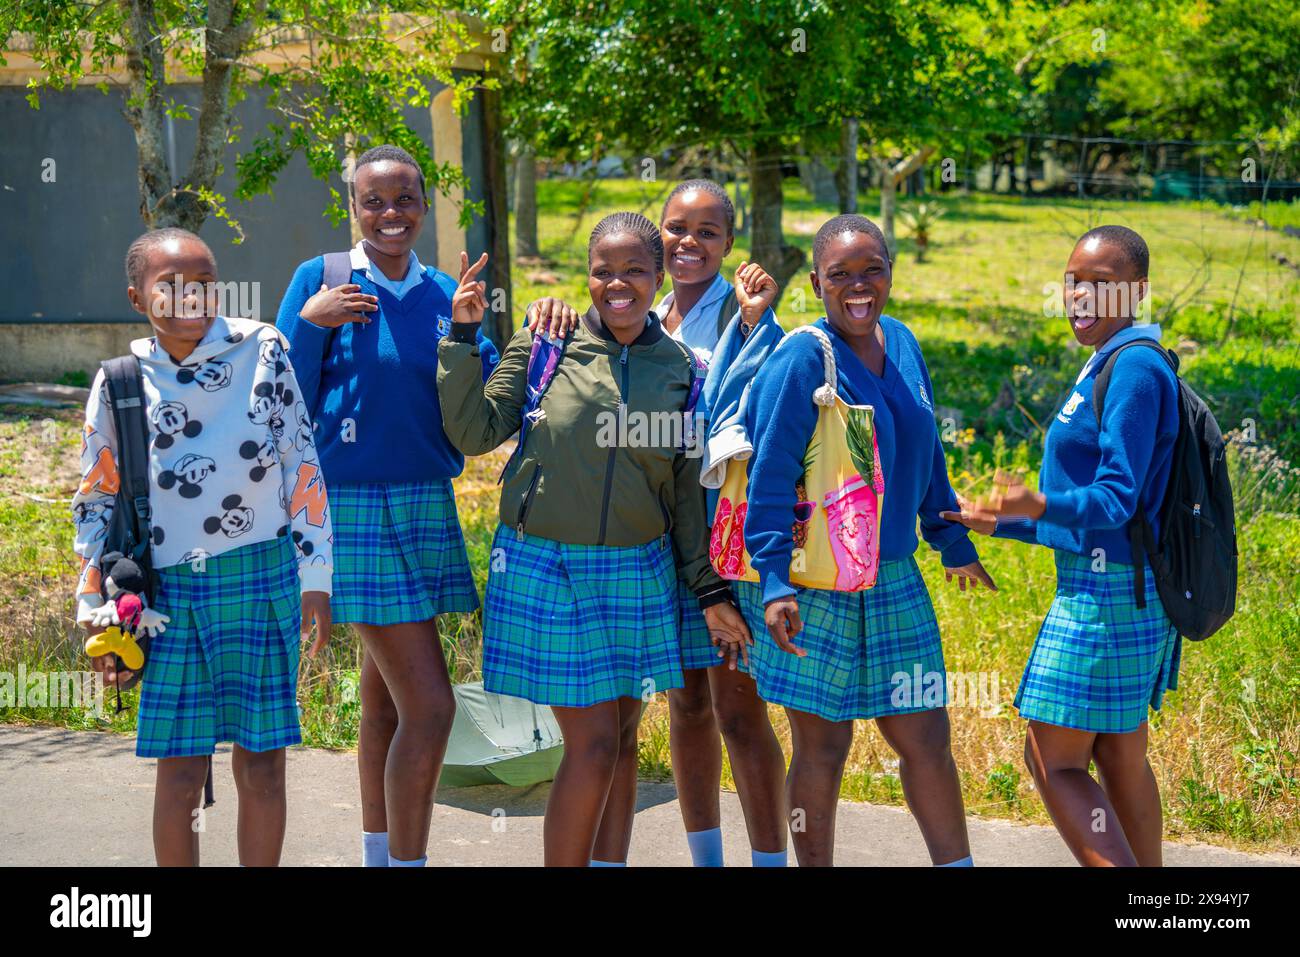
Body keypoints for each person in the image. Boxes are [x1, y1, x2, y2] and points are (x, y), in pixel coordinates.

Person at [437, 212, 752, 866]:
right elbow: (472, 431)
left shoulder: (684, 373)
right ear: (587, 275)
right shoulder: (547, 344)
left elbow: (688, 500)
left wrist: (710, 587)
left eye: (634, 270)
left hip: (638, 570)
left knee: (624, 738)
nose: (618, 283)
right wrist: (463, 333)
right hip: (545, 565)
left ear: (657, 276)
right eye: (603, 270)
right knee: (595, 743)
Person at [737, 214, 995, 866]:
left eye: (871, 270)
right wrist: (772, 584)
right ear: (818, 283)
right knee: (823, 749)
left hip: (895, 575)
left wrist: (951, 539)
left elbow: (926, 449)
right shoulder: (802, 356)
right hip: (815, 584)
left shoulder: (902, 342)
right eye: (840, 275)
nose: (858, 286)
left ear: (890, 272)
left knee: (927, 737)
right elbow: (769, 477)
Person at [73, 227, 333, 866]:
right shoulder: (121, 382)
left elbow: (302, 461)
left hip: (261, 577)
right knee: (181, 775)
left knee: (263, 766)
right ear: (138, 297)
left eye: (205, 283)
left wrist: (316, 574)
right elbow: (96, 501)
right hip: (166, 596)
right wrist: (97, 609)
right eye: (171, 285)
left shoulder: (263, 350)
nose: (192, 296)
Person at [275, 144, 499, 867]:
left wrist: (468, 329)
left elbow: (478, 402)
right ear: (352, 206)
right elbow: (277, 400)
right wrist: (311, 322)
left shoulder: (442, 291)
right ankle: (406, 861)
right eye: (374, 201)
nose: (390, 214)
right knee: (432, 709)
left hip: (426, 502)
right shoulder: (323, 278)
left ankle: (380, 853)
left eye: (404, 199)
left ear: (424, 204)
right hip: (354, 509)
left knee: (386, 704)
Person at [943, 225, 1181, 867]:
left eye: (1102, 285)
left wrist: (1036, 504)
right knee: (1119, 753)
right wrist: (1003, 523)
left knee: (1052, 760)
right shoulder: (1114, 357)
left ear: (1137, 291)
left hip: (1106, 599)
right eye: (1075, 282)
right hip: (1126, 588)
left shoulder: (1132, 367)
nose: (1081, 297)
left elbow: (1115, 500)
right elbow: (1100, 515)